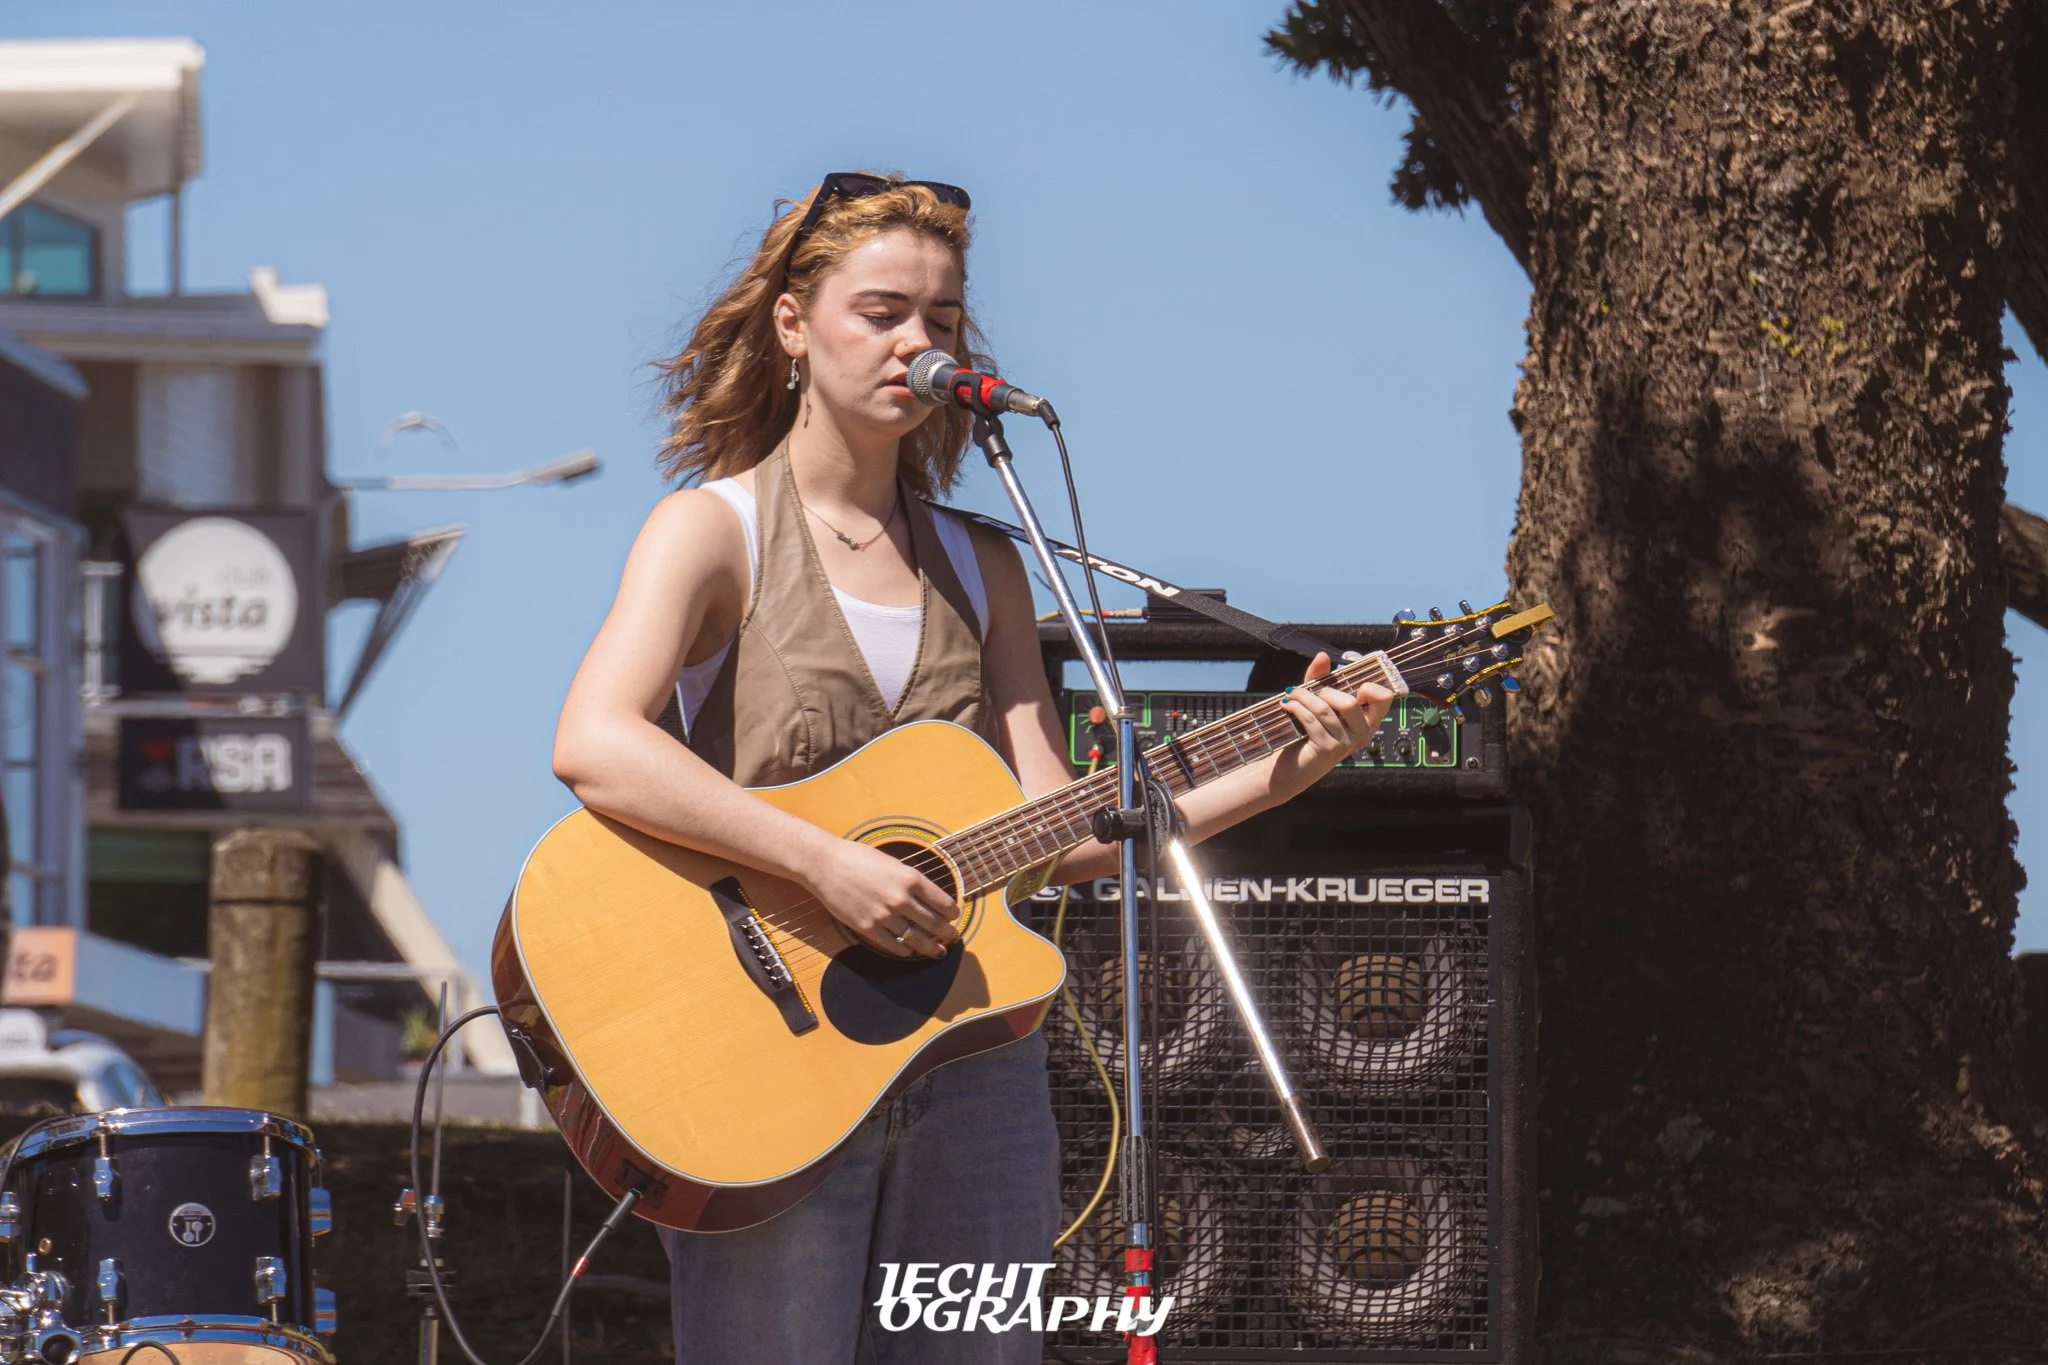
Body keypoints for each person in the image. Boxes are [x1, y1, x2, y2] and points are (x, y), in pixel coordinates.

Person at [549, 171, 1394, 1365]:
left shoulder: (985, 563)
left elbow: (1062, 829)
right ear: (793, 325)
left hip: (974, 1058)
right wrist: (827, 866)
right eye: (881, 312)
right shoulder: (710, 531)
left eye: (939, 319)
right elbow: (594, 743)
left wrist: (1288, 766)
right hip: (771, 1057)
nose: (917, 342)